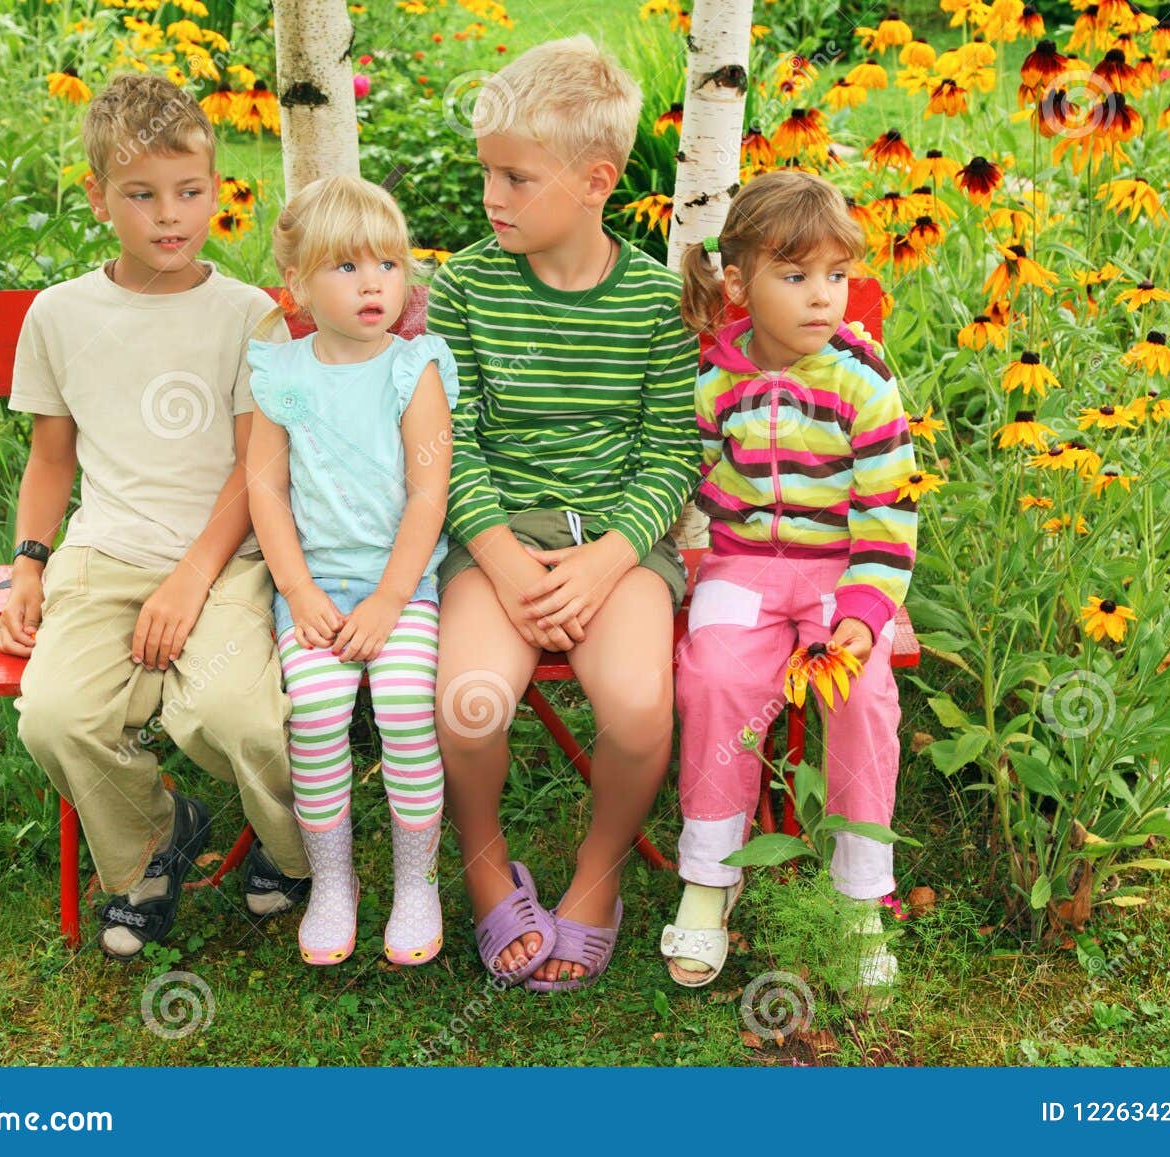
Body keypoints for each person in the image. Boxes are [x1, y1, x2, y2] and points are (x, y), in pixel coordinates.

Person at [0, 74, 310, 961]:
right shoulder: (58, 316)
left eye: (190, 192)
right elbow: (51, 459)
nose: (169, 216)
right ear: (98, 198)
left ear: (217, 191)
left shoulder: (248, 316)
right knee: (54, 716)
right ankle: (151, 844)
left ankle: (296, 855)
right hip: (105, 553)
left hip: (227, 559)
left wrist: (188, 579)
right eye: (141, 195)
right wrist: (29, 563)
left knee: (233, 717)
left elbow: (258, 471)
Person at [428, 35, 700, 990]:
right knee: (469, 705)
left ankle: (597, 874)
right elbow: (448, 442)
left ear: (596, 179)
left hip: (618, 547)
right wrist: (499, 557)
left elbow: (672, 450)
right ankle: (486, 865)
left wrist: (611, 557)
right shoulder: (463, 288)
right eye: (487, 174)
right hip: (492, 537)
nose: (492, 197)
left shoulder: (657, 302)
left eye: (515, 176)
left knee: (634, 707)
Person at [661, 170, 917, 1003]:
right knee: (716, 675)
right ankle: (709, 876)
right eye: (795, 275)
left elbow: (888, 515)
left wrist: (868, 615)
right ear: (739, 284)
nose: (822, 298)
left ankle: (857, 895)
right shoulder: (714, 380)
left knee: (861, 691)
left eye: (836, 276)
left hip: (843, 572)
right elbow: (679, 481)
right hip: (741, 566)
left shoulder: (863, 384)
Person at [246, 174, 456, 967]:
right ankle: (335, 881)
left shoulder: (413, 367)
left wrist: (392, 597)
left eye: (388, 264)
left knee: (404, 706)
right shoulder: (283, 374)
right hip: (314, 590)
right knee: (317, 712)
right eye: (345, 267)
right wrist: (298, 591)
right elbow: (265, 488)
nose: (373, 283)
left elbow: (428, 491)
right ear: (298, 285)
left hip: (401, 588)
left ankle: (417, 880)